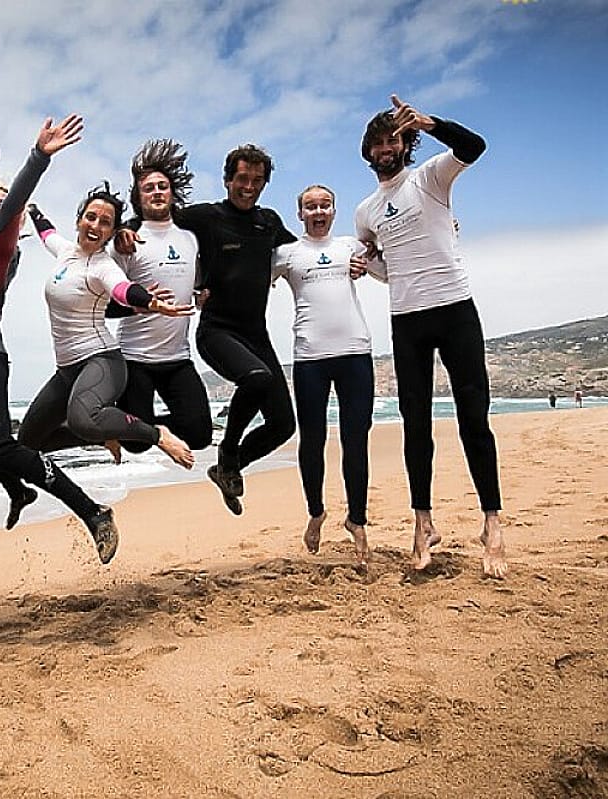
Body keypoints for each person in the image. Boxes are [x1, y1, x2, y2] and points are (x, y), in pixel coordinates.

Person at [0, 115, 122, 564]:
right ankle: (18, 491)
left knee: (1, 445)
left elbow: (14, 199)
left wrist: (38, 156)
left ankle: (93, 511)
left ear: (11, 220)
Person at [354, 93, 507, 578]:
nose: (385, 148)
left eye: (394, 139)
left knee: (472, 418)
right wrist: (366, 264)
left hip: (455, 309)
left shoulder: (432, 177)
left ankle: (493, 524)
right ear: (367, 152)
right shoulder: (365, 211)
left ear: (407, 144)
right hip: (407, 319)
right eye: (377, 142)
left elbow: (476, 145)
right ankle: (423, 523)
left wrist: (430, 121)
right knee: (415, 423)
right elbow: (386, 267)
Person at [21, 186, 195, 487]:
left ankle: (156, 434)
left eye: (105, 222)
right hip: (67, 370)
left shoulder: (103, 266)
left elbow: (122, 289)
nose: (96, 226)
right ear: (79, 221)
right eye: (91, 217)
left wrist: (149, 302)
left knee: (81, 419)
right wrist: (33, 210)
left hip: (101, 361)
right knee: (27, 443)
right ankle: (103, 434)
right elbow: (46, 233)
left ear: (112, 231)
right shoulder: (65, 251)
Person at [174, 145, 298, 515]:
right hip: (216, 331)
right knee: (257, 380)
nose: (249, 187)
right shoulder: (206, 217)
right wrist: (124, 236)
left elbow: (303, 251)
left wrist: (356, 255)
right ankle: (227, 451)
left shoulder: (269, 222)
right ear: (228, 179)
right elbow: (157, 223)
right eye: (242, 179)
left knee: (283, 425)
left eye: (257, 180)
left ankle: (228, 467)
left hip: (256, 335)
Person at [272, 184, 377, 564]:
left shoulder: (350, 247)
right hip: (310, 357)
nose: (318, 211)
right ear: (300, 213)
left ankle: (358, 520)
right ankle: (316, 511)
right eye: (310, 206)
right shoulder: (287, 254)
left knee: (356, 440)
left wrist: (451, 227)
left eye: (325, 205)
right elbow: (250, 278)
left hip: (355, 353)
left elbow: (388, 257)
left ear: (334, 210)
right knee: (312, 440)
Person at [114, 139, 212, 456]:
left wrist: (200, 296)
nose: (157, 192)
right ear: (138, 197)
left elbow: (194, 284)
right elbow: (103, 300)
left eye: (163, 186)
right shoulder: (126, 241)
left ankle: (151, 428)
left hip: (177, 357)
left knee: (199, 435)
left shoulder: (191, 237)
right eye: (148, 188)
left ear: (172, 193)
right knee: (133, 445)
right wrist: (137, 305)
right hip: (134, 358)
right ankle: (123, 427)